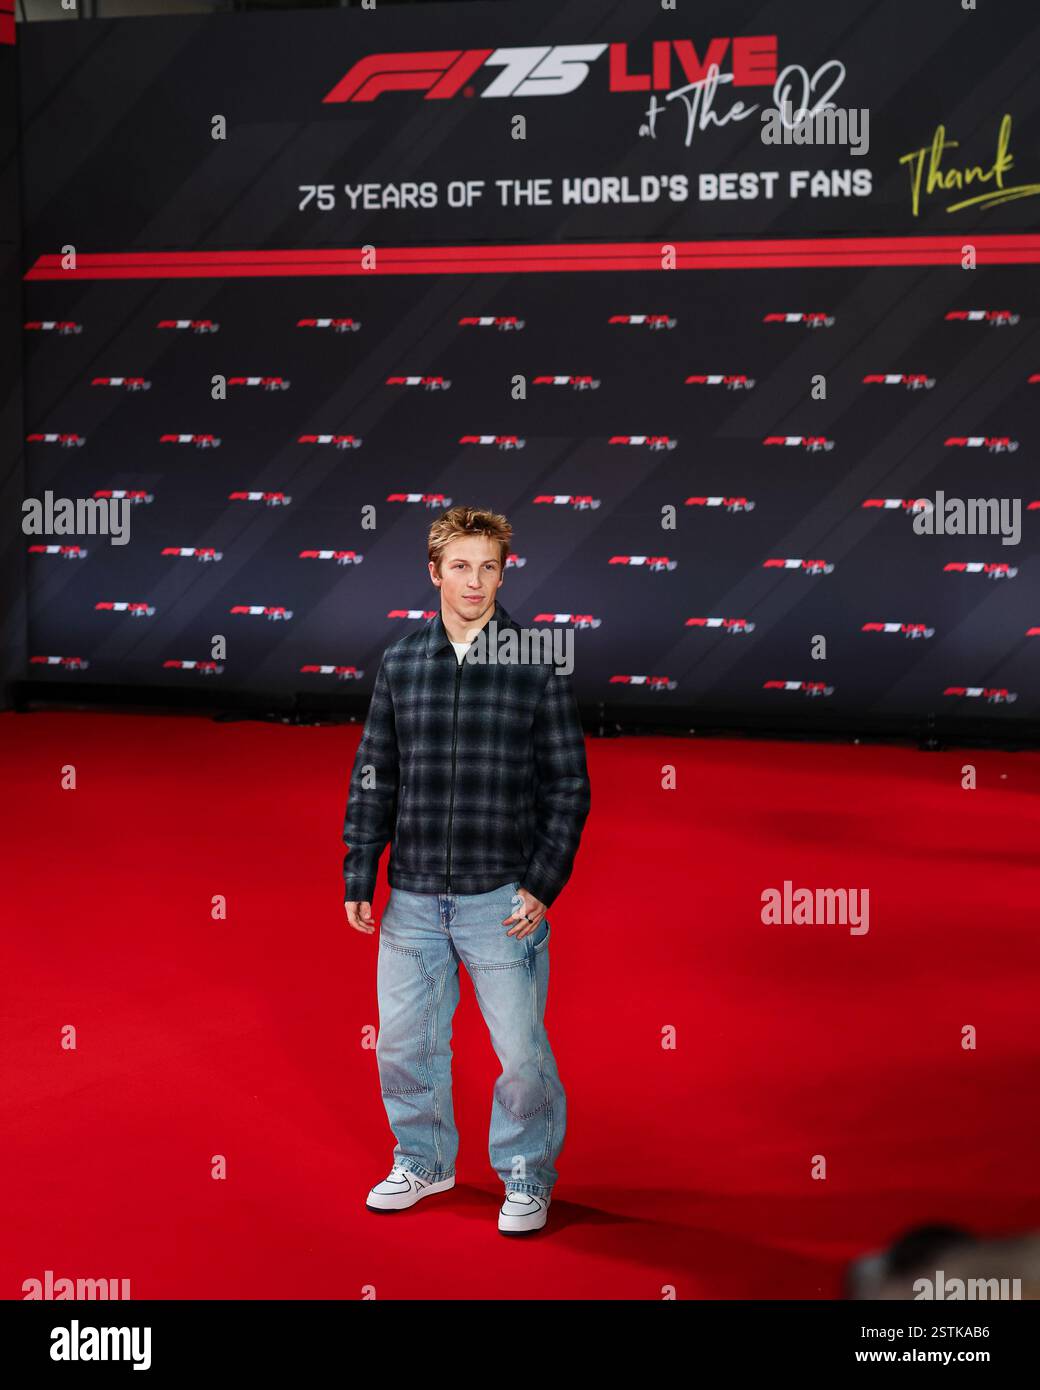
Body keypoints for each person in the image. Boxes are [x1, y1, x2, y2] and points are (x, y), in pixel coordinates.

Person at [343, 505, 591, 1234]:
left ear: (502, 571)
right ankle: (423, 1160)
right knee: (403, 1044)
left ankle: (526, 1175)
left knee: (520, 1054)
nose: (475, 581)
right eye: (460, 566)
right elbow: (373, 773)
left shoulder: (536, 660)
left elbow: (568, 784)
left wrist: (542, 884)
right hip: (412, 898)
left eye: (488, 566)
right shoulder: (401, 662)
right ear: (434, 573)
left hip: (499, 899)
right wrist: (362, 868)